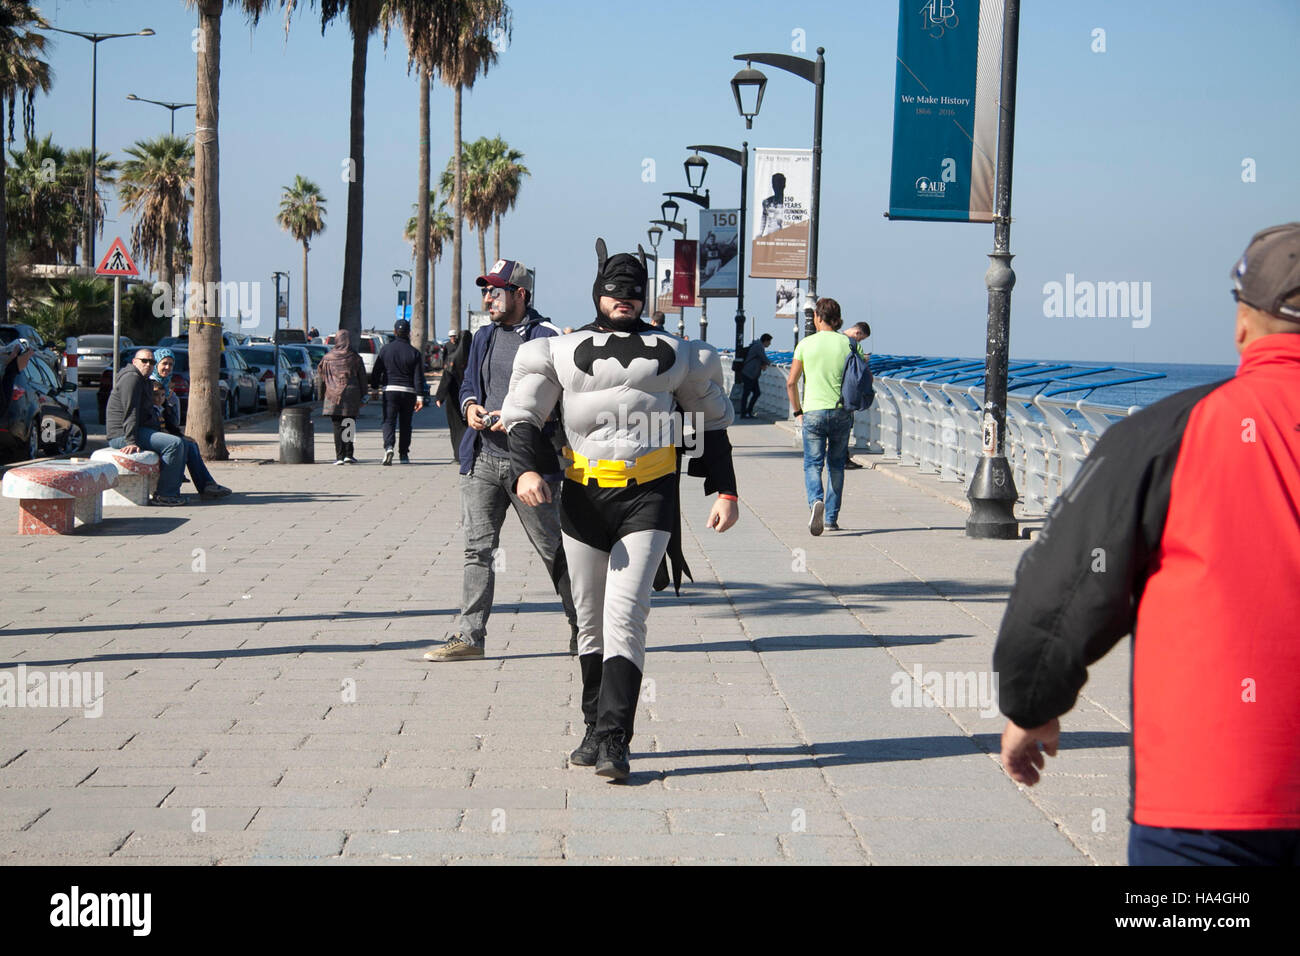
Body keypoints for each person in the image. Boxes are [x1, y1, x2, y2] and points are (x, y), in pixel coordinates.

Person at [994, 223, 1300, 866]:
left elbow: (1065, 585)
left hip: (1212, 803)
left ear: (1244, 323)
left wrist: (1033, 703)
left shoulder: (1168, 435)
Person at [503, 240, 739, 780]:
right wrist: (526, 470)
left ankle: (615, 739)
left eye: (633, 293)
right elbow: (522, 415)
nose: (624, 300)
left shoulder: (681, 354)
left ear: (644, 298)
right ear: (598, 293)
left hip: (648, 494)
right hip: (583, 493)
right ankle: (594, 723)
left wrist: (725, 490)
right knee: (588, 621)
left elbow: (713, 421)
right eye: (614, 292)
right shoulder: (558, 350)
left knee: (625, 616)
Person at [423, 257, 580, 662]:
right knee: (477, 550)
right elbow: (469, 382)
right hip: (482, 460)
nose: (488, 297)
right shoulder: (482, 337)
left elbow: (562, 399)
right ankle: (470, 637)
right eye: (485, 290)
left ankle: (584, 629)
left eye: (496, 289)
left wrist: (517, 418)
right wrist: (471, 406)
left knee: (553, 549)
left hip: (530, 465)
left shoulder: (547, 339)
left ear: (520, 294)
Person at [785, 298, 851, 535]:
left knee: (812, 464)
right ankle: (831, 518)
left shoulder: (805, 344)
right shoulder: (849, 344)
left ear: (817, 317)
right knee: (836, 465)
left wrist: (798, 412)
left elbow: (791, 382)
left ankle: (816, 502)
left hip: (812, 411)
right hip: (841, 410)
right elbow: (866, 379)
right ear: (837, 318)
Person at [106, 349, 186, 506]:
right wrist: (130, 441)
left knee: (184, 443)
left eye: (151, 362)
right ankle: (164, 495)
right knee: (174, 444)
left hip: (138, 431)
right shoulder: (132, 378)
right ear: (135, 361)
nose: (148, 365)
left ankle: (176, 491)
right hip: (122, 435)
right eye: (144, 361)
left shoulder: (143, 380)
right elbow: (131, 411)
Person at [151, 349, 231, 498]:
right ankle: (202, 485)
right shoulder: (152, 385)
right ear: (156, 364)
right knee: (185, 445)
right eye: (164, 364)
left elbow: (170, 419)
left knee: (191, 444)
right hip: (153, 433)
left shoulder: (167, 387)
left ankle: (207, 485)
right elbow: (155, 418)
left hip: (164, 432)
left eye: (171, 364)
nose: (167, 367)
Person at [371, 318, 427, 465]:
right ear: (408, 333)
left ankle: (389, 446)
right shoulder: (414, 353)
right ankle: (403, 454)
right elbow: (418, 377)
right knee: (405, 424)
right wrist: (420, 397)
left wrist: (375, 388)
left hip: (390, 391)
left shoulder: (385, 350)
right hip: (408, 392)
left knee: (389, 421)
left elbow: (377, 371)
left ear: (395, 332)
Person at [315, 330, 366, 465]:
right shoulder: (354, 357)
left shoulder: (327, 358)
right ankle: (349, 453)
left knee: (337, 425)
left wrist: (321, 396)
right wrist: (364, 395)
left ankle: (339, 456)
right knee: (349, 422)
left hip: (333, 395)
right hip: (351, 394)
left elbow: (321, 378)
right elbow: (362, 378)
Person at [435, 331, 471, 460]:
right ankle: (468, 453)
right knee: (468, 426)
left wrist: (440, 396)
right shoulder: (475, 357)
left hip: (454, 398)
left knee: (455, 427)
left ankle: (458, 454)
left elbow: (447, 377)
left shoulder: (453, 358)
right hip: (471, 398)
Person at [843, 322, 872, 470]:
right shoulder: (852, 344)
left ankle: (838, 458)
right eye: (861, 339)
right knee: (846, 426)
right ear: (857, 333)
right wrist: (865, 360)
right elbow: (859, 368)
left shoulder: (836, 339)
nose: (860, 342)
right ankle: (844, 459)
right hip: (847, 392)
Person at [739, 333, 773, 418]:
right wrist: (769, 363)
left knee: (754, 393)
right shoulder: (759, 346)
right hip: (749, 373)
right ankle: (744, 413)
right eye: (769, 342)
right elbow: (763, 357)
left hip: (751, 374)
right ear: (765, 341)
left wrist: (763, 363)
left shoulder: (757, 345)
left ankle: (747, 412)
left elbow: (759, 358)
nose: (770, 344)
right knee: (748, 393)